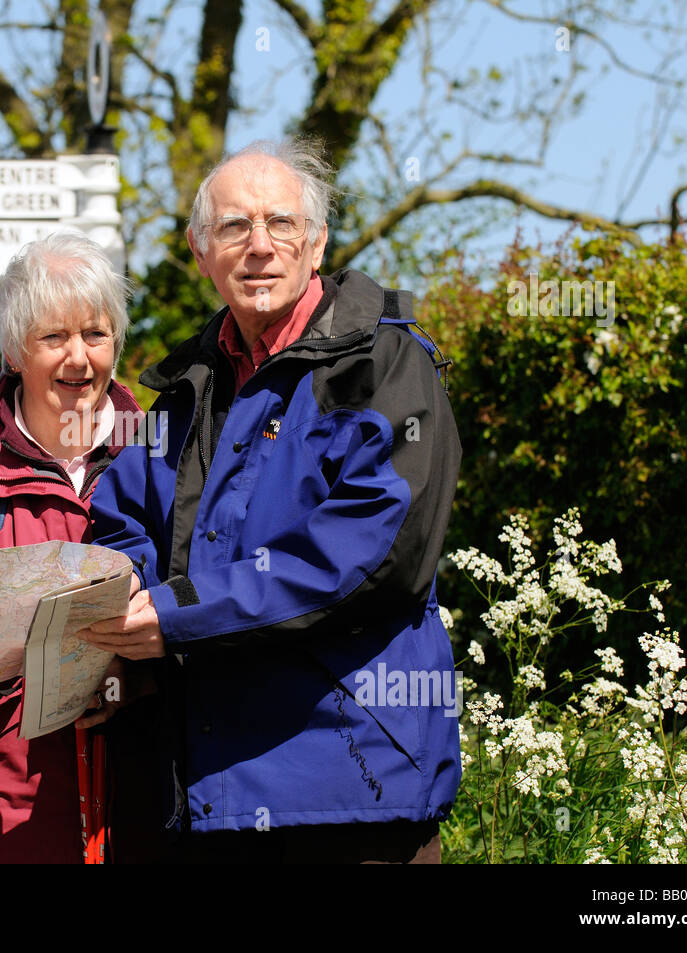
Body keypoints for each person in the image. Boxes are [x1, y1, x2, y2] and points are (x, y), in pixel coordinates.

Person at [77, 139, 463, 863]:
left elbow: (374, 555)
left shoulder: (385, 366)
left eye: (280, 224)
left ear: (315, 243)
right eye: (233, 227)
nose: (259, 247)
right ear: (200, 251)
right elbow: (122, 516)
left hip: (350, 798)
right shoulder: (183, 390)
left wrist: (176, 612)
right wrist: (117, 587)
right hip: (203, 799)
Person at [0, 232, 147, 863]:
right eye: (53, 338)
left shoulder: (158, 459)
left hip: (139, 807)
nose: (78, 358)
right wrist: (71, 673)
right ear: (16, 350)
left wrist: (131, 675)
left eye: (95, 335)